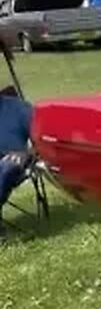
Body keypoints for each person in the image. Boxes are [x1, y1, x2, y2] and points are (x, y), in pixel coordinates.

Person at [0, 85, 33, 224]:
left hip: (11, 160)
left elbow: (41, 139)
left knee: (7, 167)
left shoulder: (18, 108)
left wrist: (26, 154)